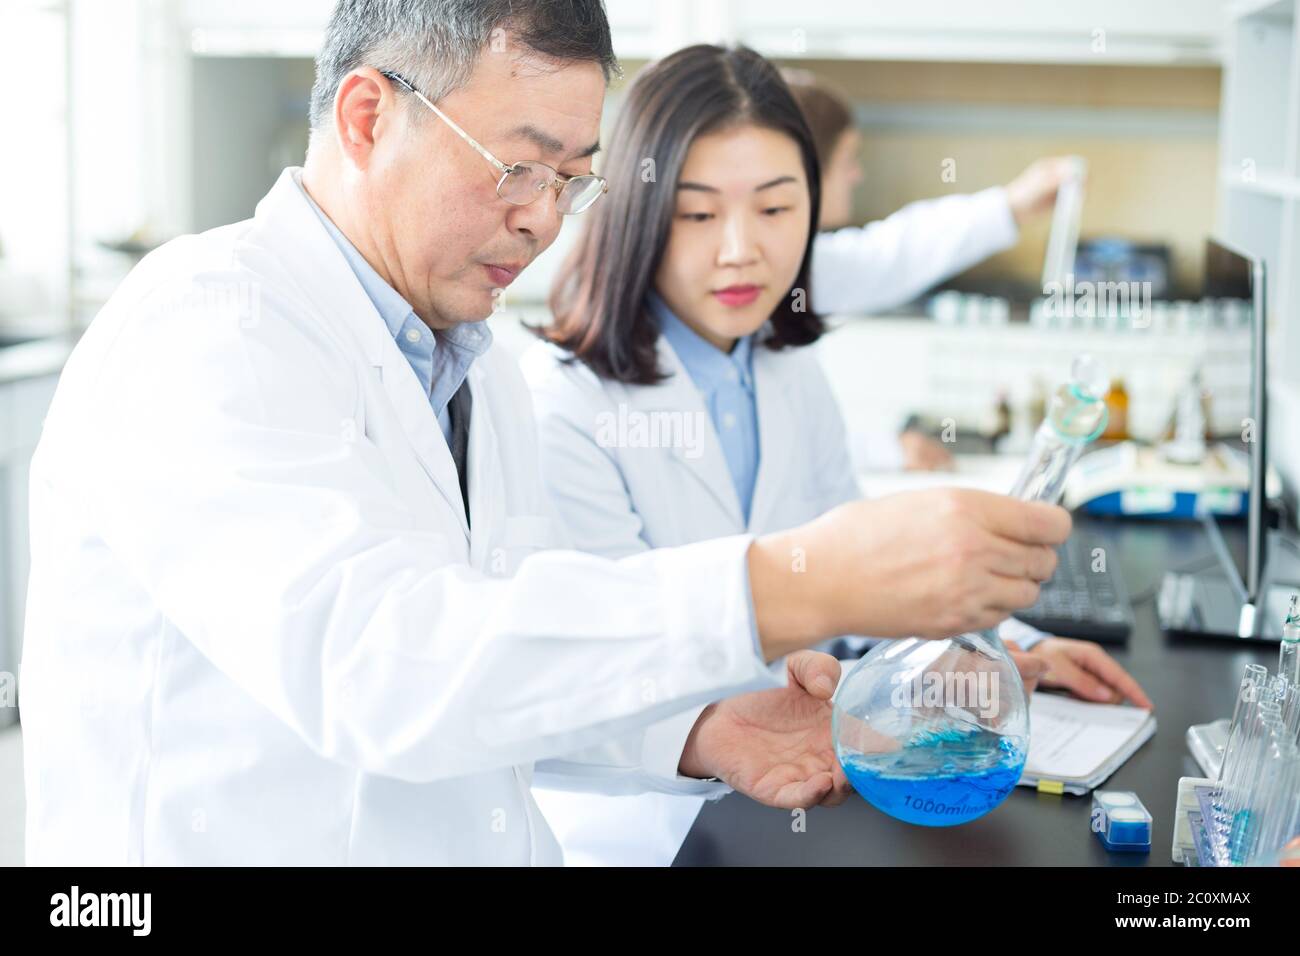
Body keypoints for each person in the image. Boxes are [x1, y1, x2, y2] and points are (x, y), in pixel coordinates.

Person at [19, 0, 1071, 866]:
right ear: (366, 117)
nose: (544, 219)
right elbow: (386, 667)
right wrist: (790, 582)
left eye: (572, 177)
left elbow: (503, 660)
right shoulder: (207, 325)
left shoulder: (471, 361)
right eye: (517, 165)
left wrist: (696, 728)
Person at [522, 44, 1152, 867]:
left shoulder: (787, 370)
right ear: (638, 214)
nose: (742, 249)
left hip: (799, 796)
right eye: (700, 213)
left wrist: (1010, 648)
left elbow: (854, 594)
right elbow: (597, 668)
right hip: (649, 827)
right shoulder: (562, 405)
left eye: (777, 210)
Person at [785, 71, 1078, 472]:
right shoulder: (768, 276)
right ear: (810, 170)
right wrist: (883, 451)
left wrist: (1011, 204)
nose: (858, 175)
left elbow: (891, 254)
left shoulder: (800, 263)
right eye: (848, 159)